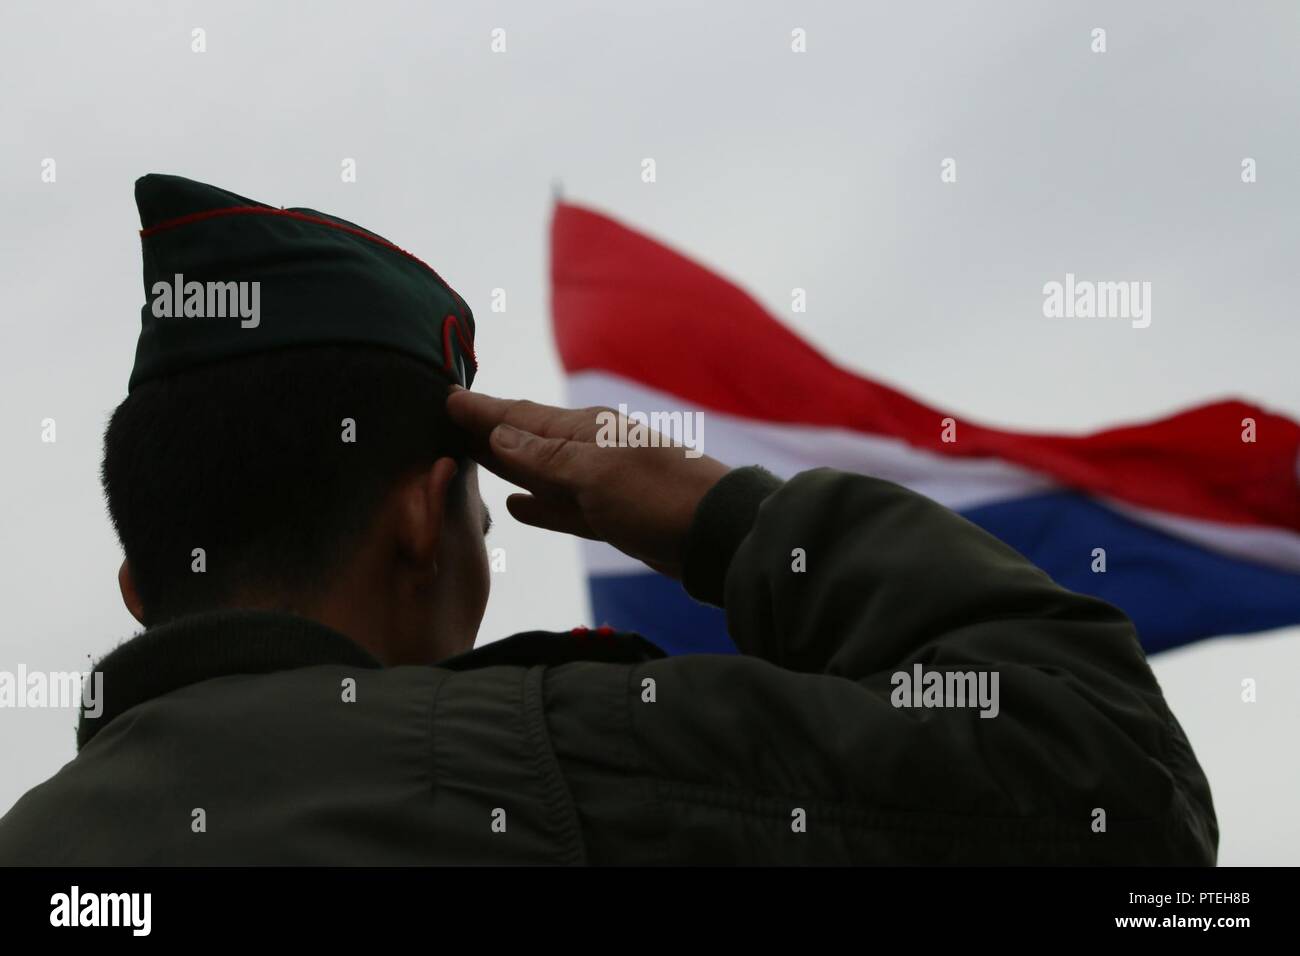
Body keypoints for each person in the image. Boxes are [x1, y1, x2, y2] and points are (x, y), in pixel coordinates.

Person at [0, 176, 1216, 864]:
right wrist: (729, 519)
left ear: (138, 584)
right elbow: (1111, 781)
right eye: (481, 509)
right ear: (426, 517)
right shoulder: (550, 762)